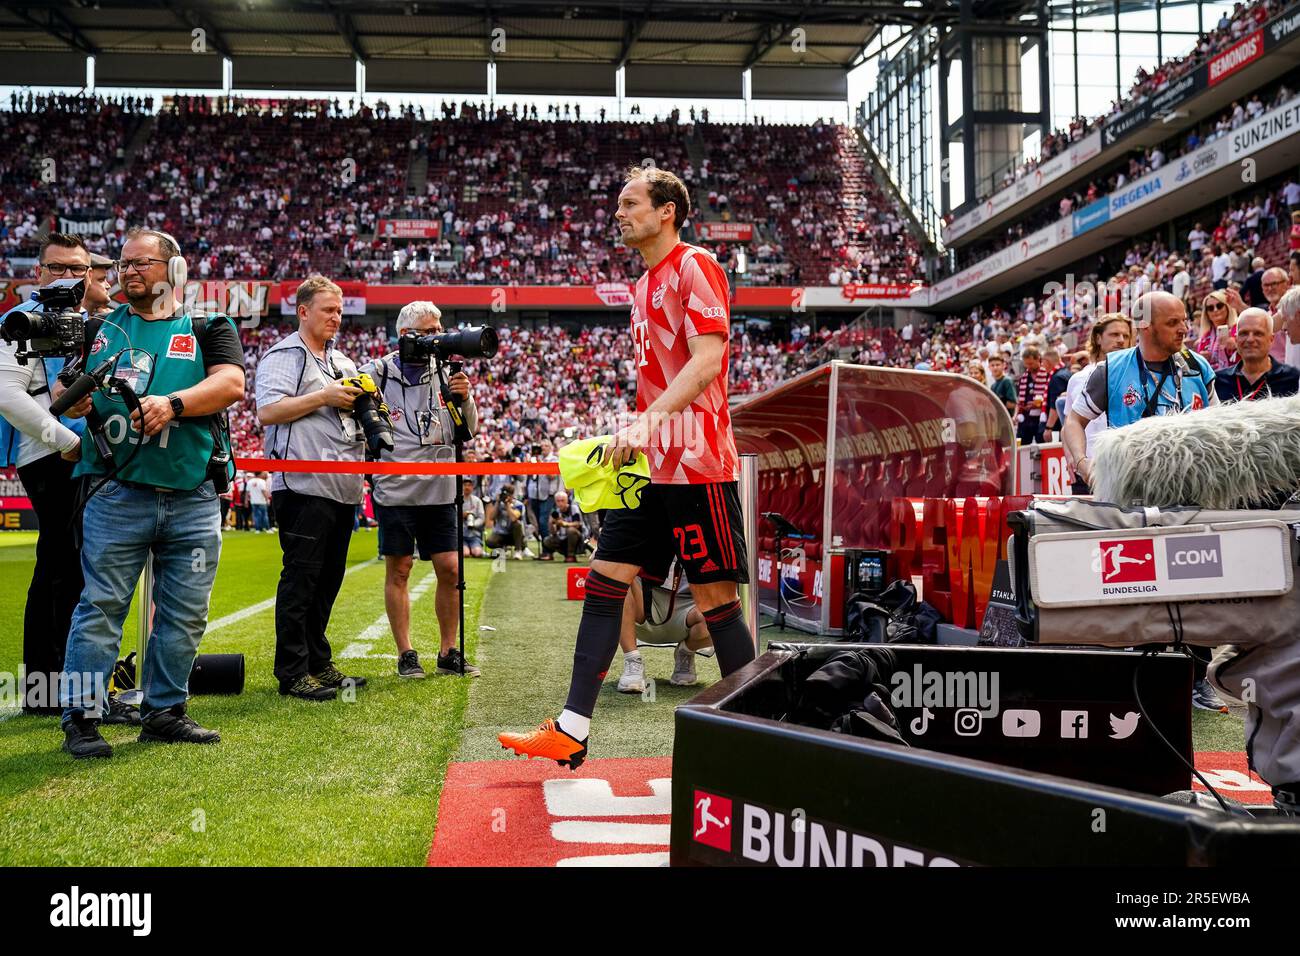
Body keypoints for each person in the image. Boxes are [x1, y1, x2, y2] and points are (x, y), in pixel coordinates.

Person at [499, 165, 755, 770]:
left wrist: (648, 422)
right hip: (652, 467)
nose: (619, 212)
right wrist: (637, 432)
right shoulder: (641, 287)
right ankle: (572, 727)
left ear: (666, 210)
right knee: (604, 579)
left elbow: (708, 362)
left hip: (697, 463)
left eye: (630, 202)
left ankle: (759, 734)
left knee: (717, 601)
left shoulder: (696, 266)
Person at [60, 228, 246, 758]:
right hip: (116, 490)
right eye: (123, 263)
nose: (129, 271)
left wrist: (175, 403)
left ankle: (164, 711)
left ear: (175, 271)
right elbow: (65, 388)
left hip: (191, 493)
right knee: (100, 607)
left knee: (185, 611)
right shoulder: (97, 328)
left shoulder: (209, 325)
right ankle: (81, 717)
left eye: (143, 262)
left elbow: (231, 385)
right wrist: (70, 402)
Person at [1063, 291, 1224, 713]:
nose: (1184, 329)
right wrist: (1084, 464)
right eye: (1174, 323)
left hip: (1191, 499)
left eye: (1186, 321)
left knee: (1196, 584)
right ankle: (1143, 670)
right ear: (1146, 327)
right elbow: (1074, 422)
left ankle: (1196, 678)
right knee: (1142, 583)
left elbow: (1218, 425)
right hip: (1133, 502)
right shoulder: (1112, 369)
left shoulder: (1198, 367)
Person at [255, 275, 369, 702]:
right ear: (303, 312)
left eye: (339, 311)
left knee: (328, 580)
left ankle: (318, 662)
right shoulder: (286, 354)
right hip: (302, 484)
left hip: (342, 484)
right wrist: (324, 396)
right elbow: (268, 410)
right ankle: (292, 672)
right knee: (302, 579)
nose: (336, 318)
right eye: (328, 310)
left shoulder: (341, 361)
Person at [359, 300, 481, 679]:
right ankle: (406, 653)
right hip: (395, 488)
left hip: (441, 488)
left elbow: (469, 430)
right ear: (405, 334)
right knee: (400, 568)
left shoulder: (447, 373)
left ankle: (448, 651)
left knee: (450, 568)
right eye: (428, 331)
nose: (437, 337)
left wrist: (467, 398)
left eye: (439, 329)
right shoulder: (376, 372)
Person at [0, 234, 96, 716]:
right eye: (57, 268)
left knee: (69, 565)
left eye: (78, 269)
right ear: (37, 273)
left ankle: (58, 682)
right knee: (63, 566)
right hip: (50, 454)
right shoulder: (17, 320)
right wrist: (68, 441)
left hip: (85, 453)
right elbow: (7, 395)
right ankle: (48, 686)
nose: (67, 277)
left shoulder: (89, 319)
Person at [615, 560, 714, 693]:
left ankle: (686, 651)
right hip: (644, 602)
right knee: (615, 571)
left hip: (689, 608)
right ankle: (632, 659)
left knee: (722, 608)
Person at [1062, 314, 1132, 494]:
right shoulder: (1077, 379)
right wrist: (1073, 459)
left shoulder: (1136, 376)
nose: (1121, 340)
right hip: (1088, 470)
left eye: (1126, 335)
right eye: (1114, 334)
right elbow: (1069, 423)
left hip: (1126, 470)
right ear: (1098, 338)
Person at [1213, 308, 1300, 403]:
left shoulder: (1293, 378)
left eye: (1258, 334)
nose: (1250, 339)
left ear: (1271, 339)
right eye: (1244, 333)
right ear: (1236, 340)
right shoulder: (1218, 381)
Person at [1014, 347, 1050, 444]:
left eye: (1030, 363)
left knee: (1042, 446)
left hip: (1041, 418)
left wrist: (1039, 404)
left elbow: (1050, 398)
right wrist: (1015, 415)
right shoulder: (1023, 378)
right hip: (1025, 418)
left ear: (1038, 359)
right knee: (1021, 445)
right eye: (1026, 364)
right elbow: (1019, 400)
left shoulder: (1047, 375)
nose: (1028, 366)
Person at [542, 490, 589, 562]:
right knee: (546, 540)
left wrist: (565, 524)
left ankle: (571, 555)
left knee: (571, 530)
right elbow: (553, 533)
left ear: (567, 500)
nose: (560, 503)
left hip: (578, 539)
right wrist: (551, 524)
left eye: (562, 500)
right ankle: (549, 554)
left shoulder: (573, 508)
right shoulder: (556, 512)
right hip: (562, 538)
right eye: (558, 501)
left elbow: (578, 524)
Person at [485, 482, 528, 558]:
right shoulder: (499, 504)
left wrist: (507, 505)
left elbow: (514, 518)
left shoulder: (519, 505)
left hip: (515, 535)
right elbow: (491, 518)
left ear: (512, 495)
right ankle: (502, 549)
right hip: (501, 533)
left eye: (508, 494)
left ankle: (518, 551)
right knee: (490, 542)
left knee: (517, 524)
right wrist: (498, 503)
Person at [461, 478, 485, 557]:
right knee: (465, 553)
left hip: (474, 534)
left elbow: (482, 518)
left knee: (478, 553)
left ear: (472, 487)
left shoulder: (477, 501)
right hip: (461, 535)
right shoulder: (458, 500)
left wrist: (473, 524)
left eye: (469, 485)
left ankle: (473, 548)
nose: (467, 487)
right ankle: (466, 549)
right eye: (465, 485)